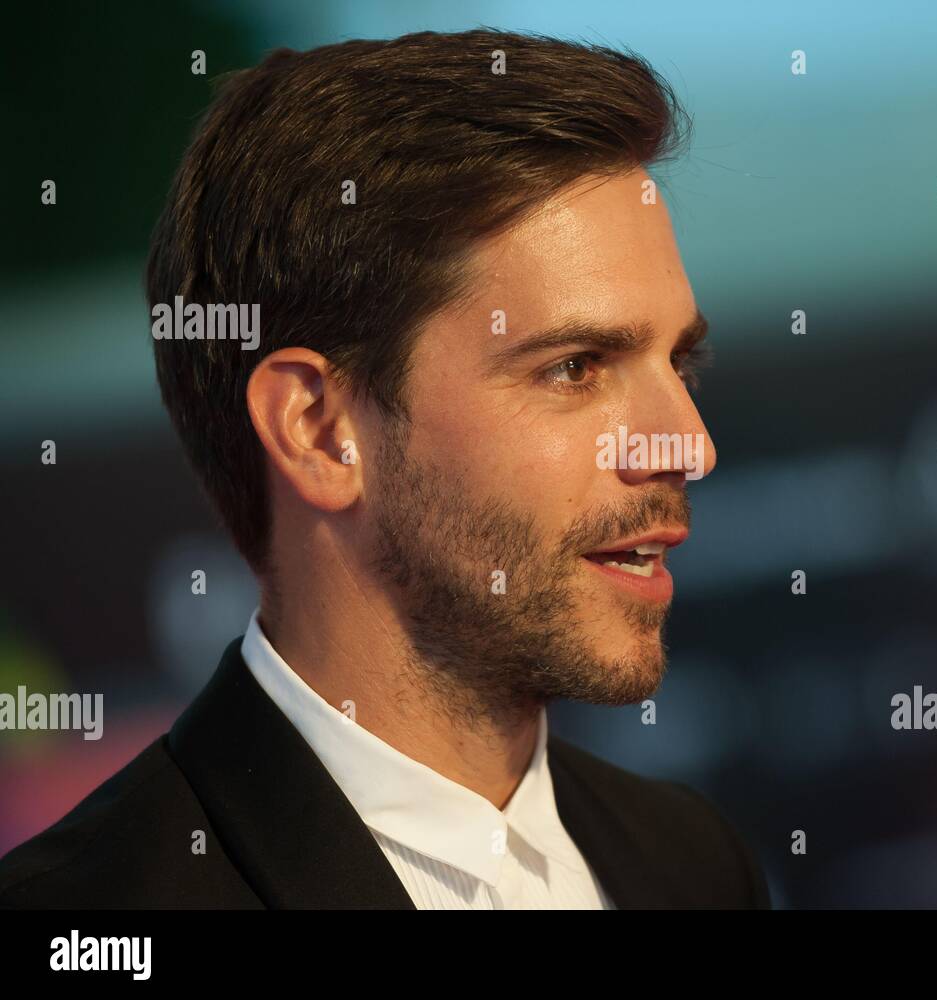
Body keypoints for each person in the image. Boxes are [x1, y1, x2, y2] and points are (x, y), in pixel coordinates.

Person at [0, 28, 769, 910]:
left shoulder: (692, 864)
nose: (686, 445)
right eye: (576, 368)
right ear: (320, 430)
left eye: (682, 363)